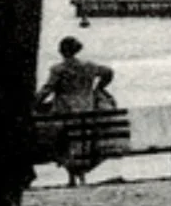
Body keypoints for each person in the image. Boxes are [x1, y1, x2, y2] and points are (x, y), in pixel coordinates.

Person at [37, 36, 116, 187]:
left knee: (58, 133)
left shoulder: (58, 70)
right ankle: (80, 172)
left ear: (61, 51)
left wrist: (33, 103)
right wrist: (99, 88)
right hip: (87, 111)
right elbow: (109, 72)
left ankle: (71, 175)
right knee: (79, 136)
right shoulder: (89, 66)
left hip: (65, 114)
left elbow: (46, 90)